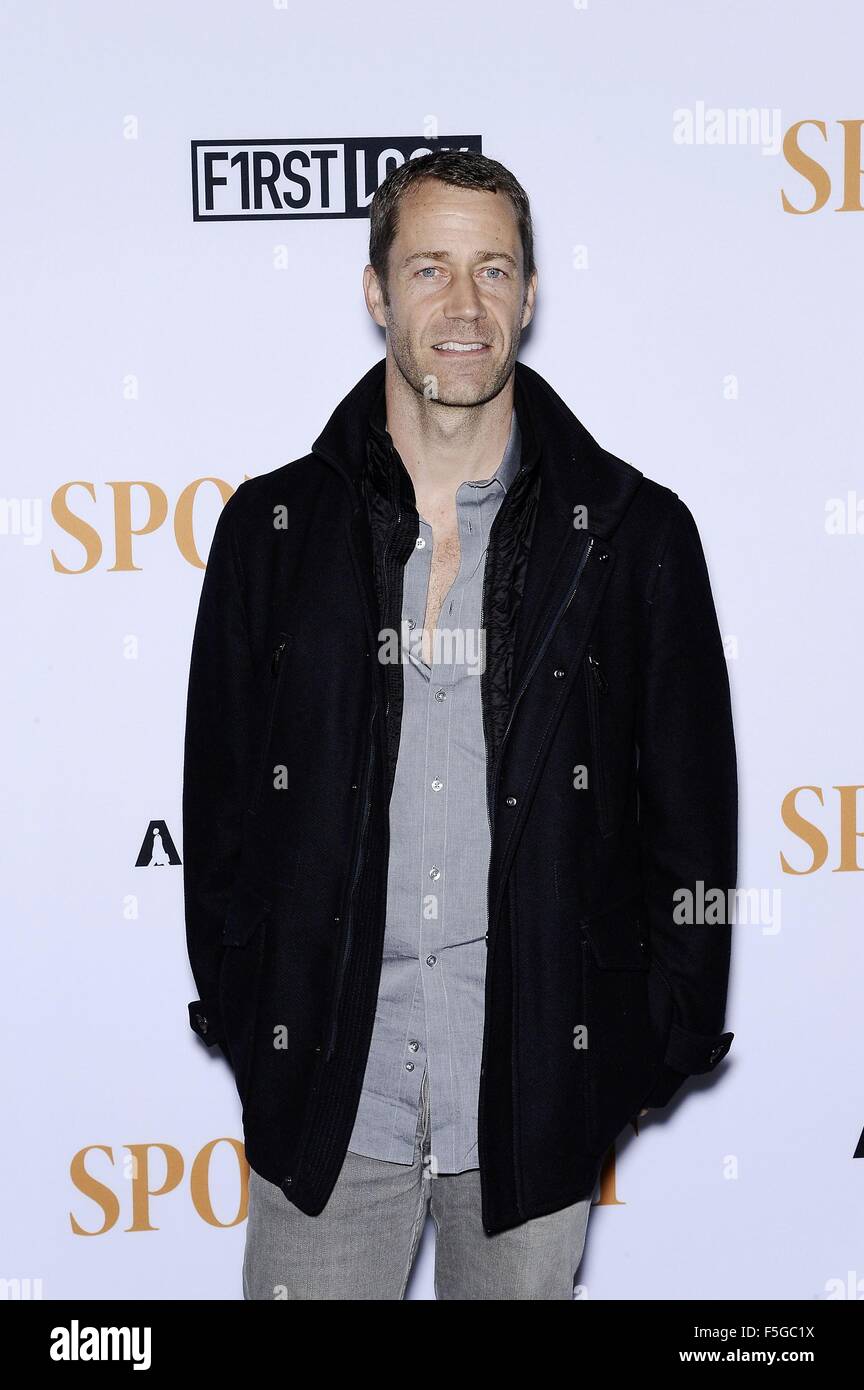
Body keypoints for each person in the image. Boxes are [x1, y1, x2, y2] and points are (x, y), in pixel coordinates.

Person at [182, 149, 737, 1301]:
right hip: (333, 1100)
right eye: (429, 268)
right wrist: (252, 1005)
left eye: (494, 270)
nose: (464, 306)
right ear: (377, 292)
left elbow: (692, 827)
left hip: (535, 1101)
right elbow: (222, 814)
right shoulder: (272, 533)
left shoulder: (633, 536)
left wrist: (645, 1050)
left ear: (531, 296)